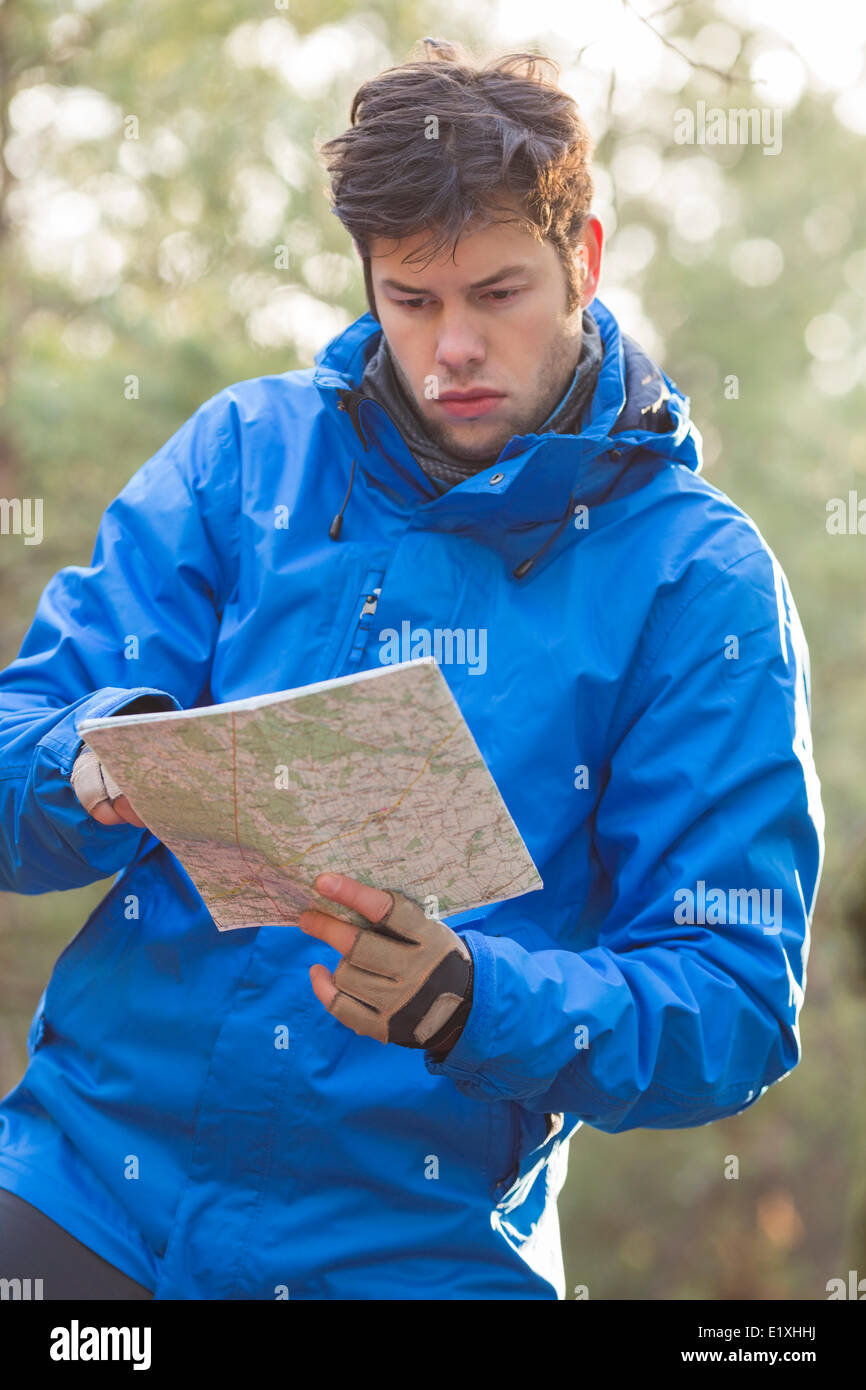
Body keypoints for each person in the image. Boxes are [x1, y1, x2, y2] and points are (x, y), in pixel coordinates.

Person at [0, 37, 824, 1301]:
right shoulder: (242, 459)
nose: (450, 349)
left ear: (582, 263)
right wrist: (89, 759)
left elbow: (731, 1003)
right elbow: (20, 767)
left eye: (497, 294)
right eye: (411, 298)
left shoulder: (695, 583)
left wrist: (471, 1000)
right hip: (85, 1189)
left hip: (414, 1259)